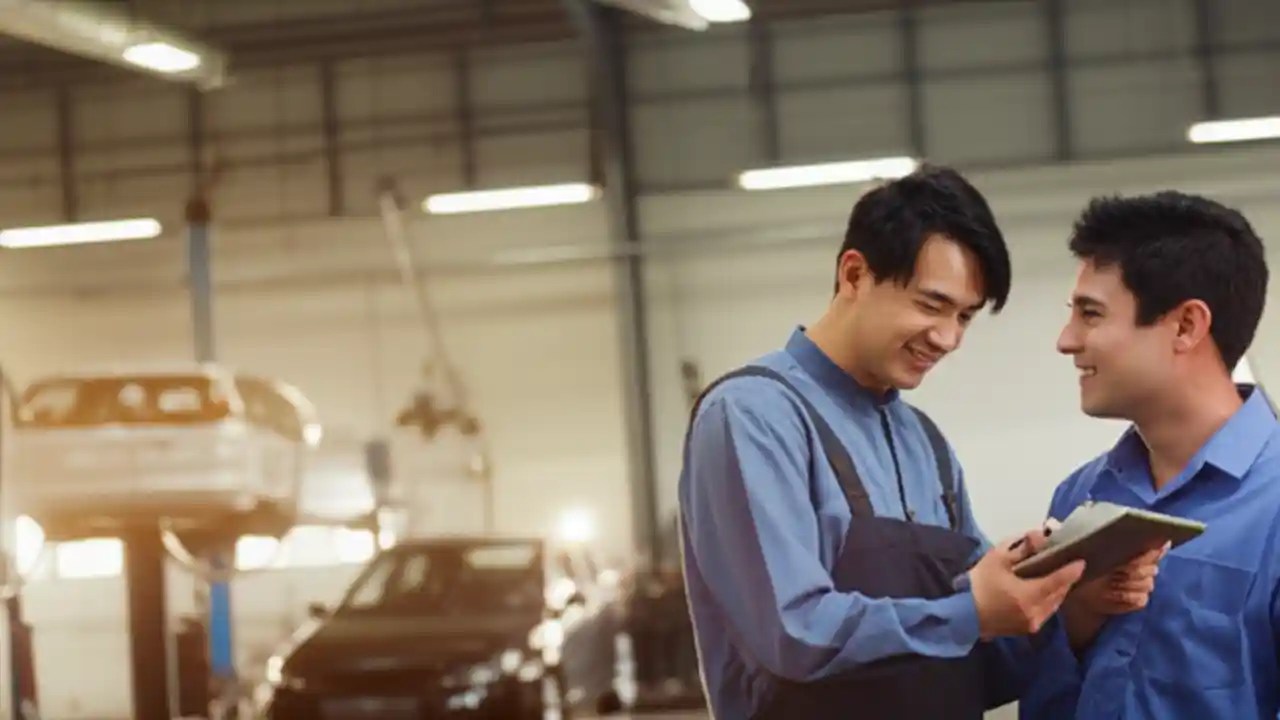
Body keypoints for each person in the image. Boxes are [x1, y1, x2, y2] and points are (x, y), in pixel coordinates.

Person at [677, 165, 1159, 720]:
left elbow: (978, 666)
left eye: (965, 317)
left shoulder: (924, 444)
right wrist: (971, 611)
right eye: (931, 305)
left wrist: (1068, 605)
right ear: (854, 275)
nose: (948, 338)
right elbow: (792, 635)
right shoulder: (753, 417)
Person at [1020, 191, 1278, 719]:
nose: (1067, 341)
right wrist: (1075, 619)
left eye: (1091, 314)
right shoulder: (1080, 496)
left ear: (1186, 326)